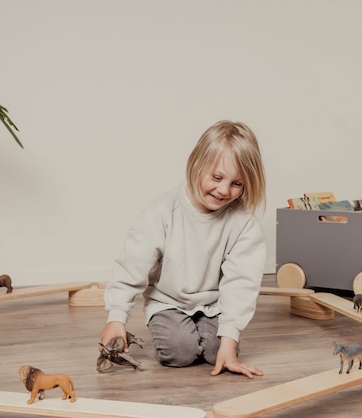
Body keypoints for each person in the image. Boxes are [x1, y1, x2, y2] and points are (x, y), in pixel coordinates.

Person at [99, 120, 267, 379]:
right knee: (180, 352)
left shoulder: (243, 221)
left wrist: (230, 337)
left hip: (214, 305)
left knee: (217, 352)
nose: (224, 190)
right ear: (197, 164)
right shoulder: (162, 211)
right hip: (168, 302)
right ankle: (184, 332)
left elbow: (242, 282)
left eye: (237, 184)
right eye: (217, 177)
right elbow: (132, 265)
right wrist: (116, 317)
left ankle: (210, 336)